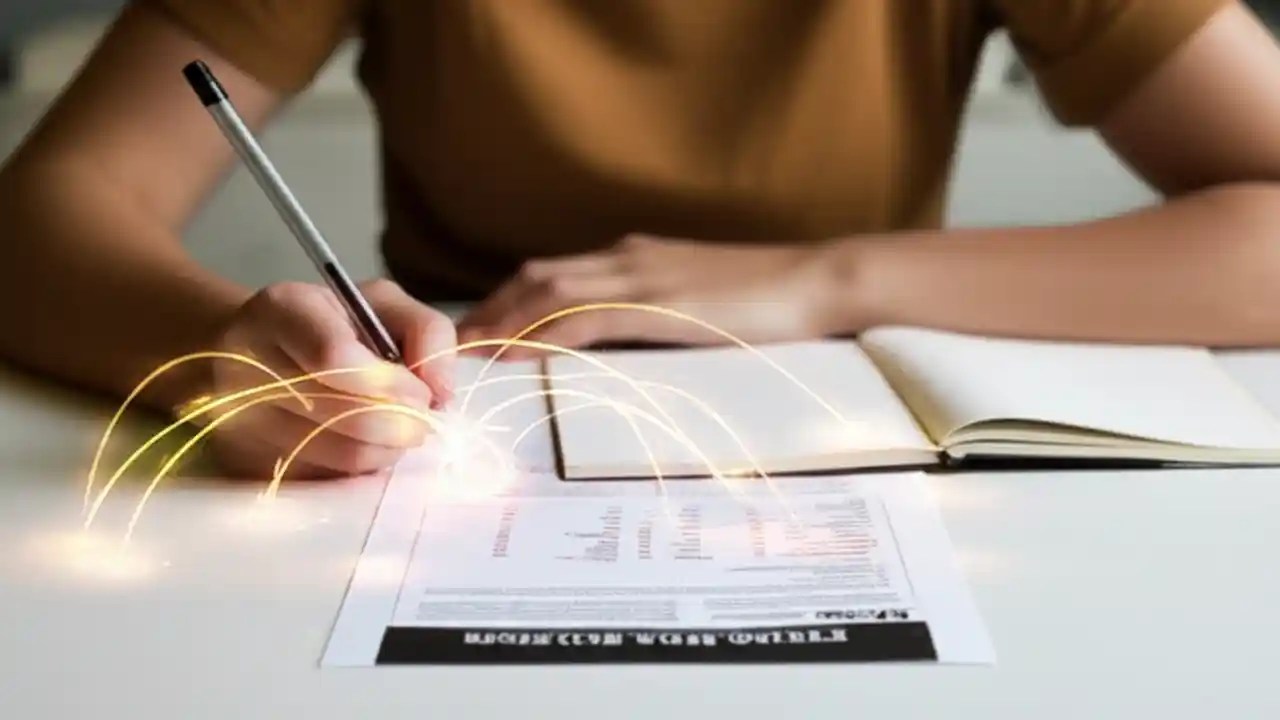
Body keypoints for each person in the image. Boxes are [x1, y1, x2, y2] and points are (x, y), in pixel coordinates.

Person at [2, 0, 1279, 478]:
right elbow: (40, 216)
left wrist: (830, 279)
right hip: (434, 436)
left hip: (852, 449)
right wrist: (217, 356)